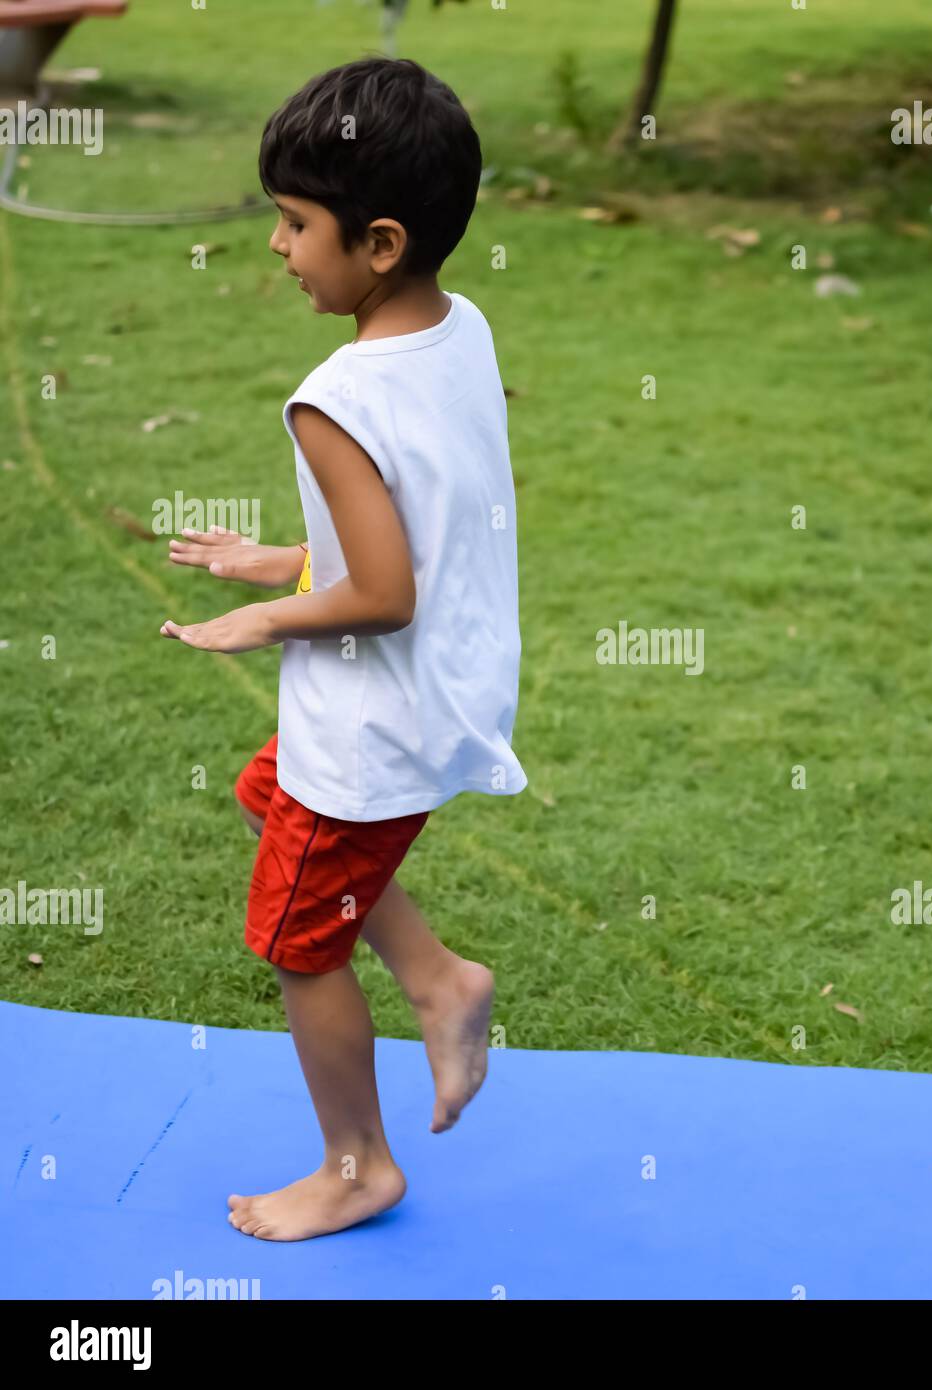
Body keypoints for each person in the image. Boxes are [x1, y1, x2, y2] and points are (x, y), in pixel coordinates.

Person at [160, 56, 526, 1241]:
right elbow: (411, 524)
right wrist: (275, 560)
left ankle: (359, 1163)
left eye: (293, 221)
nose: (276, 246)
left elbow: (382, 590)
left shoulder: (331, 398)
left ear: (376, 242)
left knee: (296, 943)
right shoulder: (459, 330)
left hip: (368, 724)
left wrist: (263, 617)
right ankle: (439, 979)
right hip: (441, 694)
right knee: (265, 793)